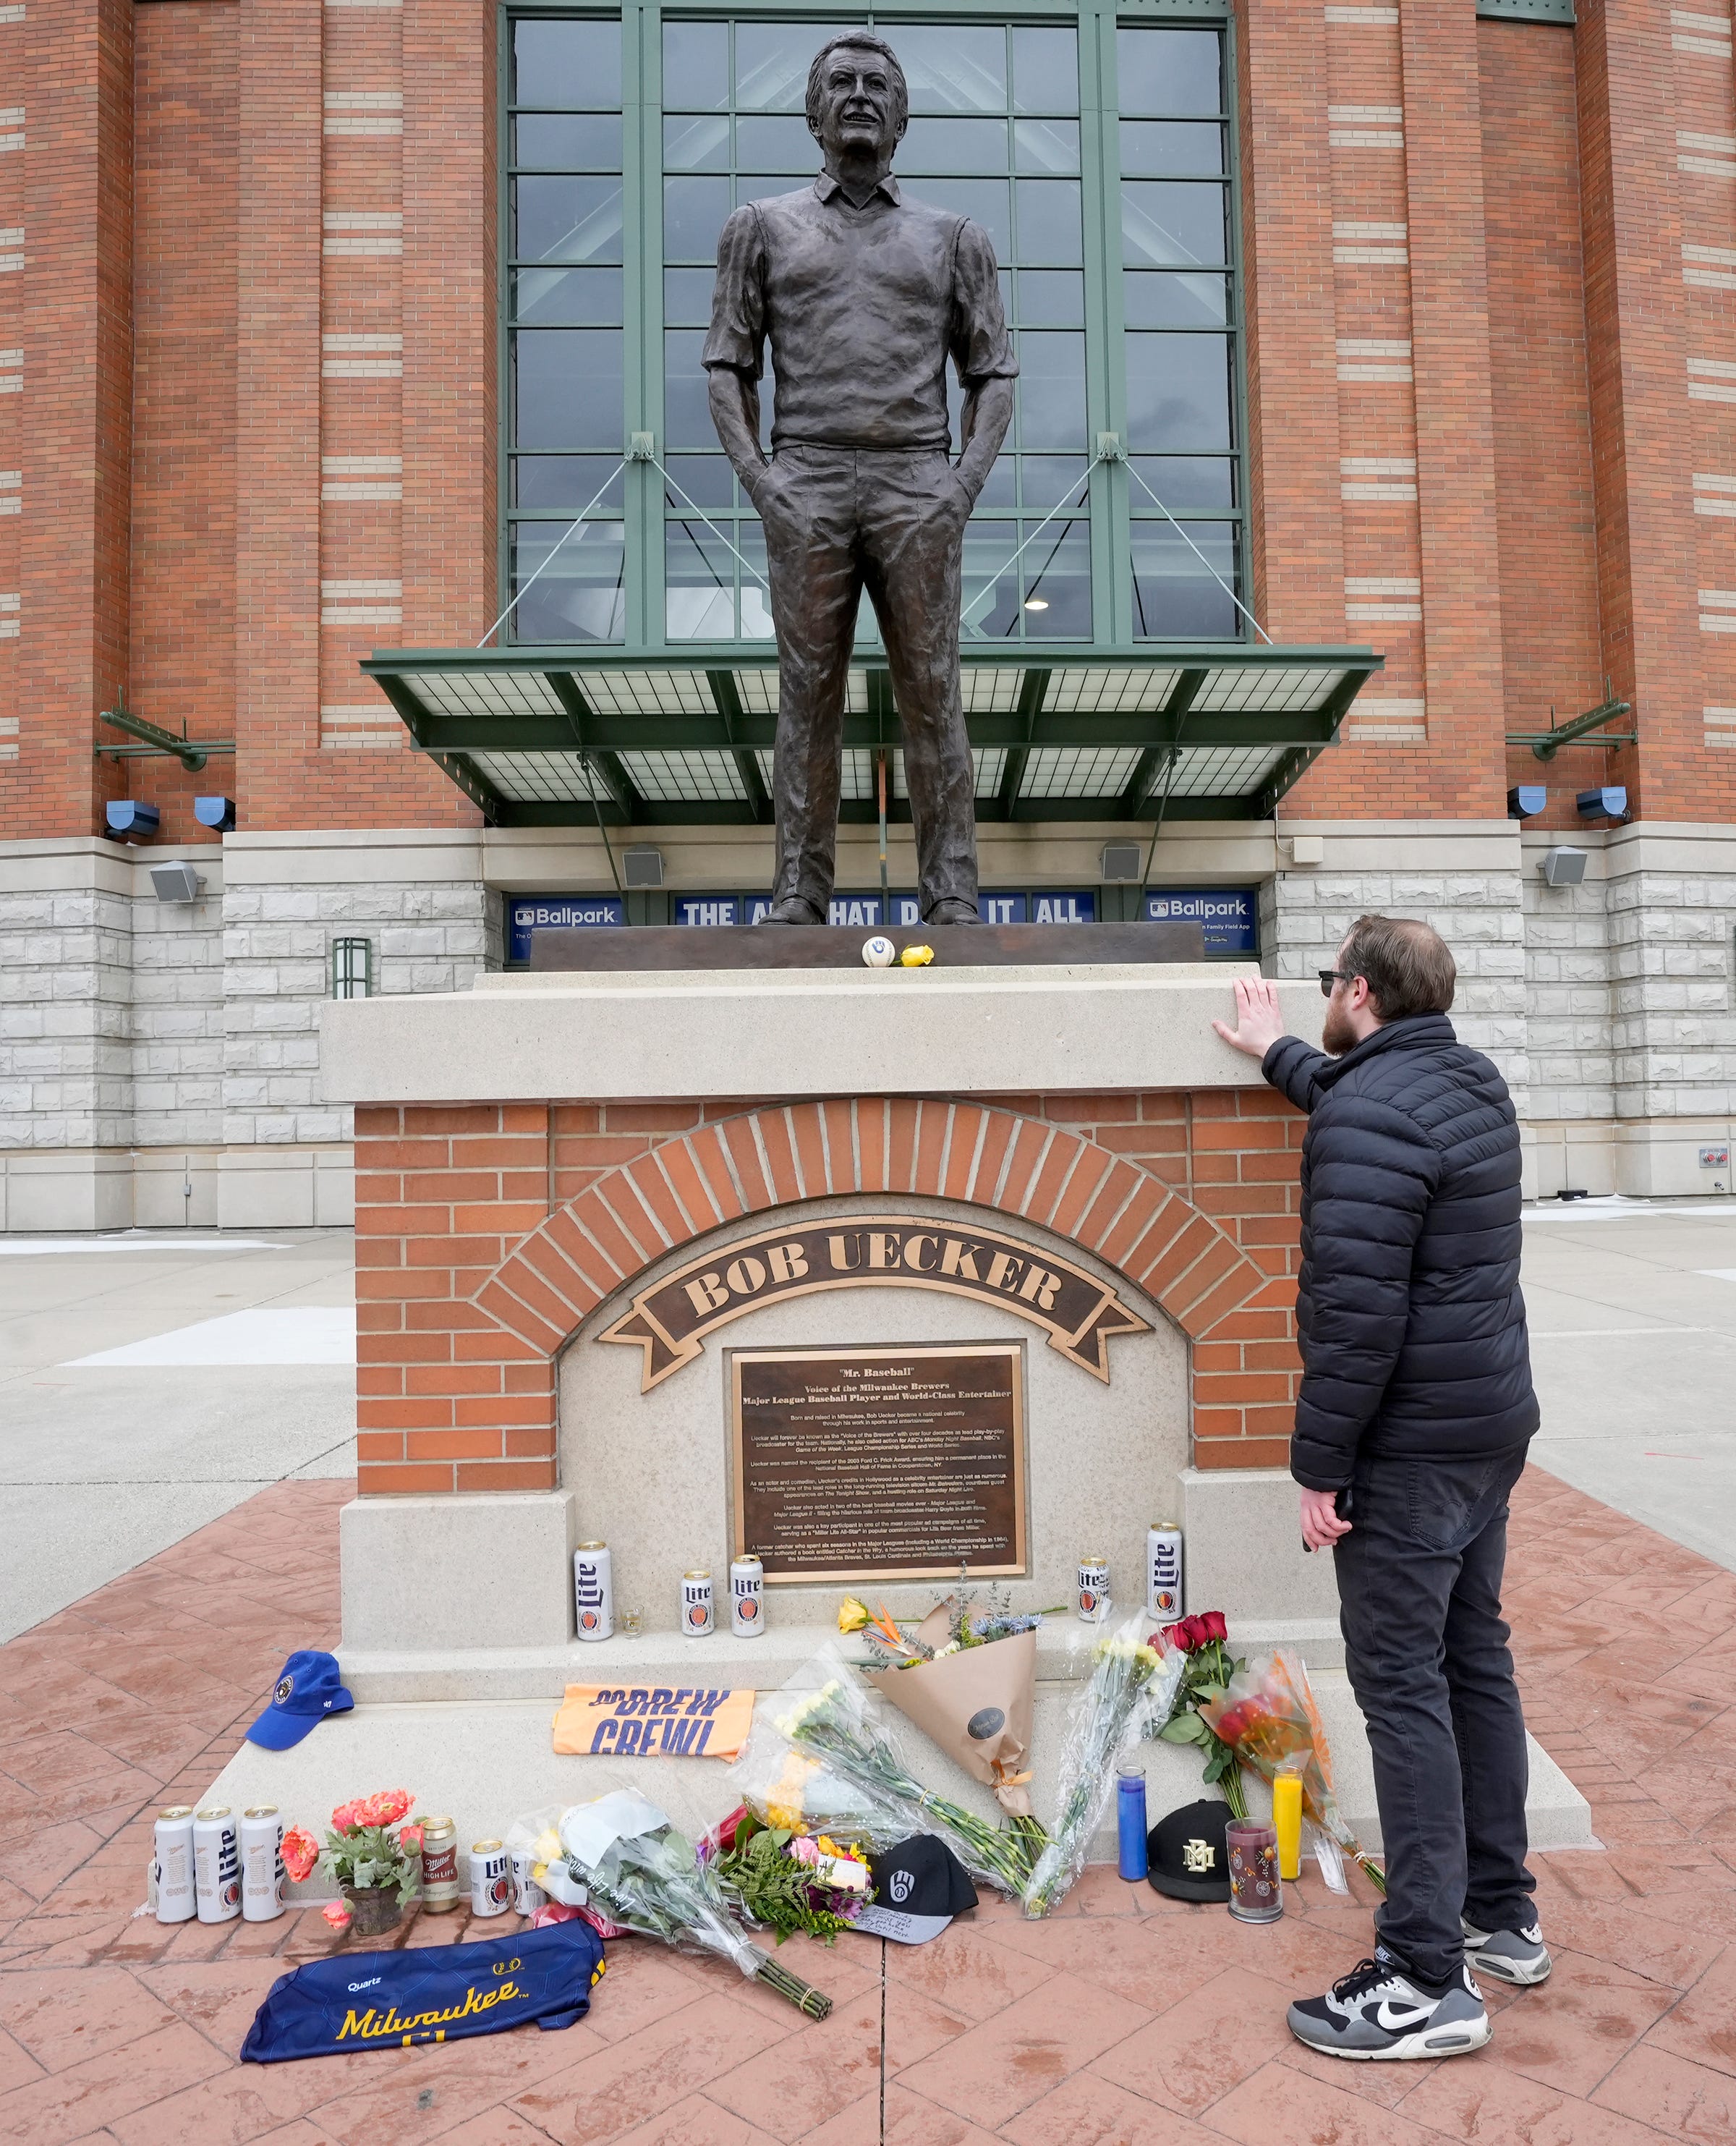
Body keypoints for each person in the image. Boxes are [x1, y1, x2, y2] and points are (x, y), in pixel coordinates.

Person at [1214, 915, 1547, 2062]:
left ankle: (1422, 1977)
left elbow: (1357, 1321)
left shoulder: (1369, 1107)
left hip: (1405, 1453)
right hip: (1487, 1435)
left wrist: (1320, 1465)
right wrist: (1279, 1056)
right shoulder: (1467, 1081)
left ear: (1358, 990)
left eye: (1325, 988)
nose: (1321, 1005)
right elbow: (1373, 1114)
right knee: (1474, 1661)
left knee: (1402, 1691)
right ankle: (1499, 1913)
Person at [703, 31, 1017, 925]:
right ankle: (800, 894)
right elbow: (729, 367)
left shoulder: (954, 238)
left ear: (904, 114)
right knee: (807, 697)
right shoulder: (759, 228)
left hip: (916, 477)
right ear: (812, 112)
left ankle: (953, 895)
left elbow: (992, 375)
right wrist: (764, 481)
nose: (860, 95)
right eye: (840, 83)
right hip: (805, 475)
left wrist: (960, 488)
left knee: (933, 692)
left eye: (879, 84)